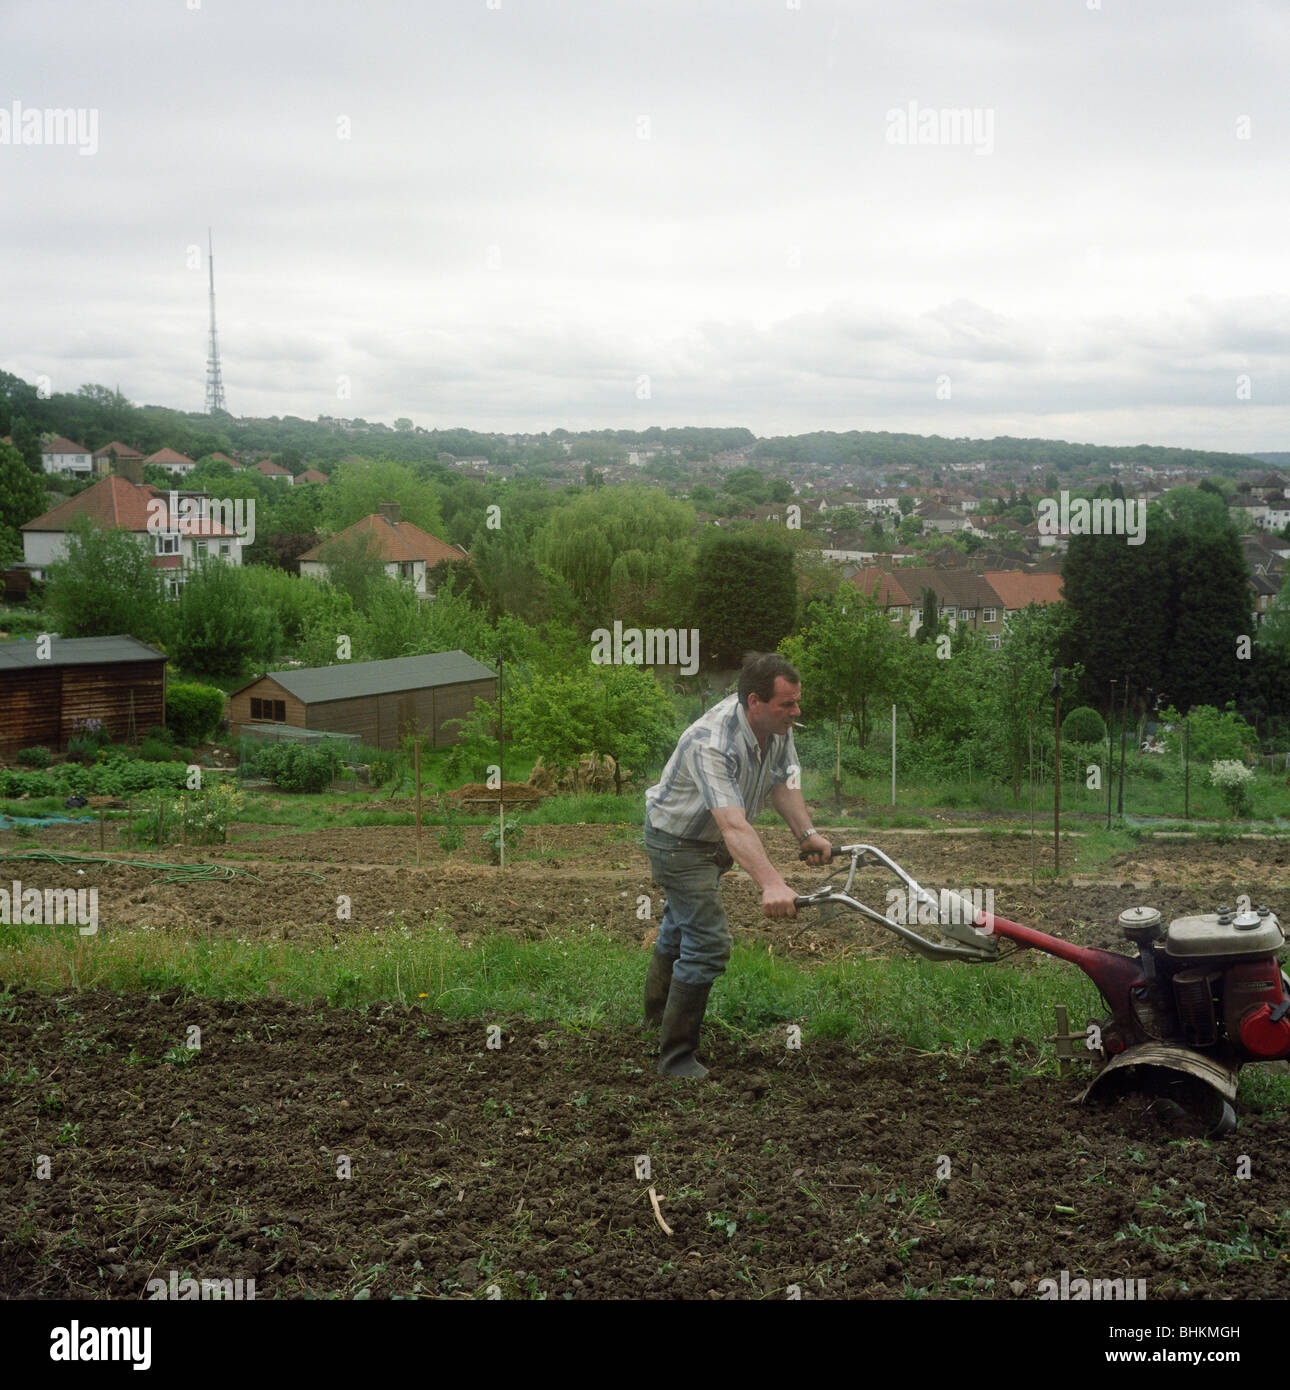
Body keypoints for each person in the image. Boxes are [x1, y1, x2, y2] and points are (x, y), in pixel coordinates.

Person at [642, 652, 831, 1078]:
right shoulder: (712, 740)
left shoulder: (776, 728)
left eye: (797, 702)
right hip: (678, 843)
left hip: (710, 843)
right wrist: (772, 884)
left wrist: (807, 834)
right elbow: (732, 823)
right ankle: (675, 1059)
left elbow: (783, 782)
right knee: (708, 942)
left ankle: (653, 1022)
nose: (796, 712)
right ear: (753, 702)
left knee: (679, 928)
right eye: (787, 704)